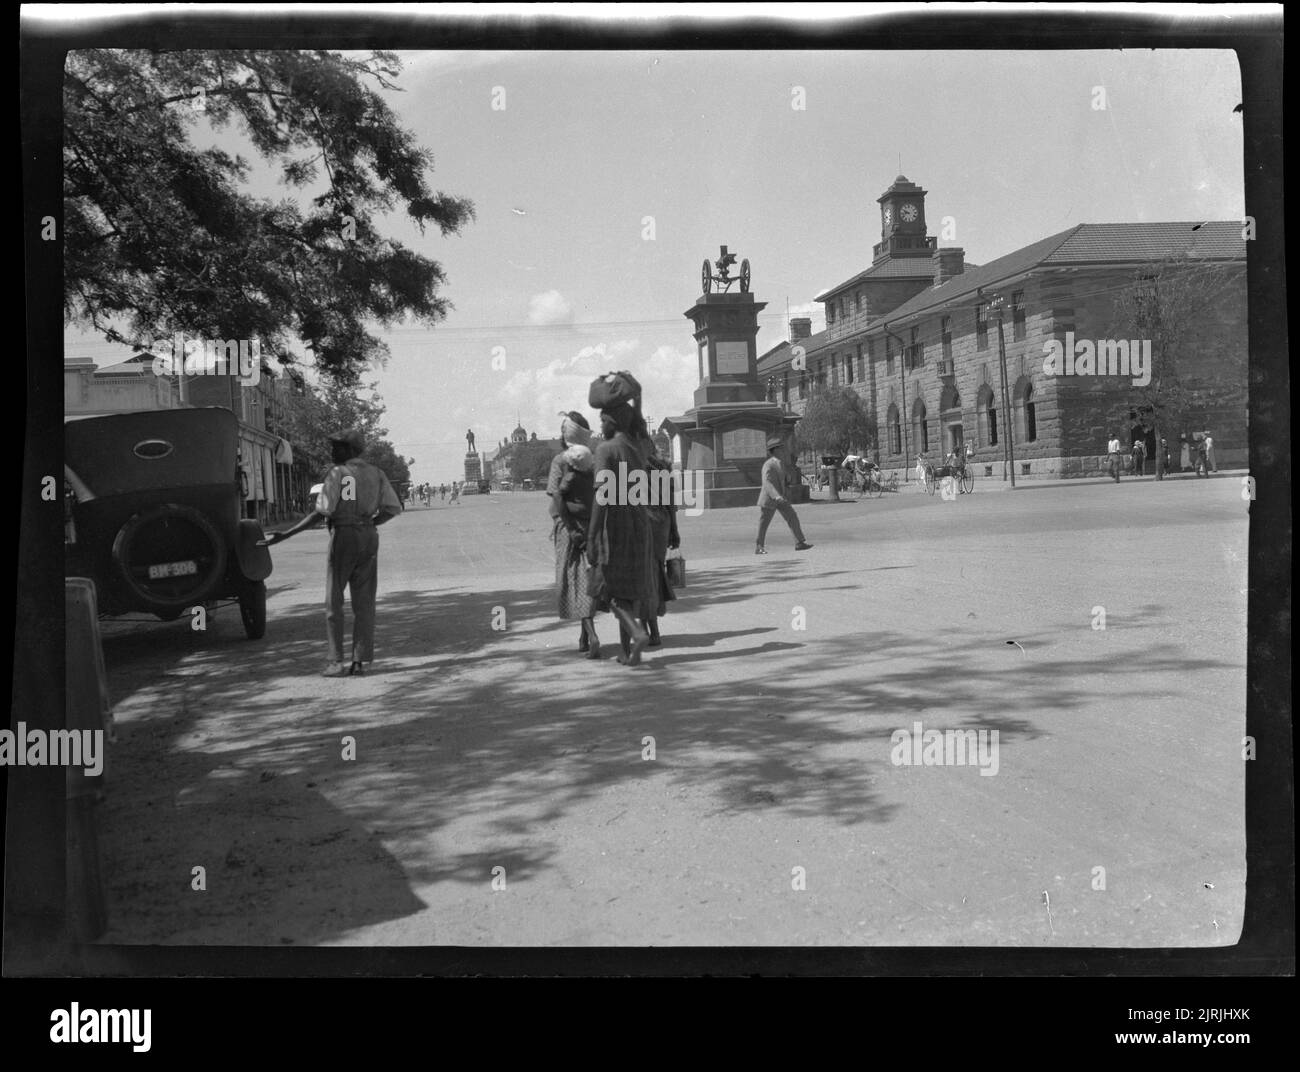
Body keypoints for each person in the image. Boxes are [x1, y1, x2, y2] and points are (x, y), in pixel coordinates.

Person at [263, 428, 402, 677]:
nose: (332, 451)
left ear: (349, 450)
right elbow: (392, 508)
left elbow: (324, 511)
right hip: (369, 536)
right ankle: (359, 661)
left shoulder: (341, 474)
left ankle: (335, 661)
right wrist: (368, 523)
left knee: (334, 601)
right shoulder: (377, 473)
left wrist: (287, 534)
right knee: (365, 601)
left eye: (337, 447)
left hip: (344, 537)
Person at [586, 371, 656, 666]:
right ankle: (627, 654)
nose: (600, 424)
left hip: (614, 527)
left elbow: (602, 497)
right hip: (640, 524)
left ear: (612, 420)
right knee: (627, 591)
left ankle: (636, 634)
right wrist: (635, 396)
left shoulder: (605, 450)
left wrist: (591, 537)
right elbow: (636, 420)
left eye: (602, 419)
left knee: (610, 591)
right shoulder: (637, 446)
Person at [549, 411, 602, 658]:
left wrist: (570, 529)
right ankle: (584, 635)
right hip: (591, 524)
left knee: (576, 583)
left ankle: (591, 635)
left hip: (568, 527)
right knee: (589, 579)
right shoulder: (592, 460)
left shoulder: (560, 460)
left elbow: (557, 496)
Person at [641, 438, 680, 647]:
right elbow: (670, 503)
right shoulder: (662, 466)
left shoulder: (627, 466)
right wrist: (674, 530)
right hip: (660, 523)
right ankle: (653, 630)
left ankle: (647, 628)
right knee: (655, 571)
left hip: (638, 524)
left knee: (640, 576)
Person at [756, 435, 813, 554]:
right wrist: (776, 496)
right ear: (775, 450)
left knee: (792, 516)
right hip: (770, 499)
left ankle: (799, 542)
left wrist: (788, 478)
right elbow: (767, 482)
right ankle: (759, 546)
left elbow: (784, 479)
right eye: (781, 448)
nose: (784, 450)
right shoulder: (768, 464)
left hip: (781, 498)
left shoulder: (781, 463)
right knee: (764, 523)